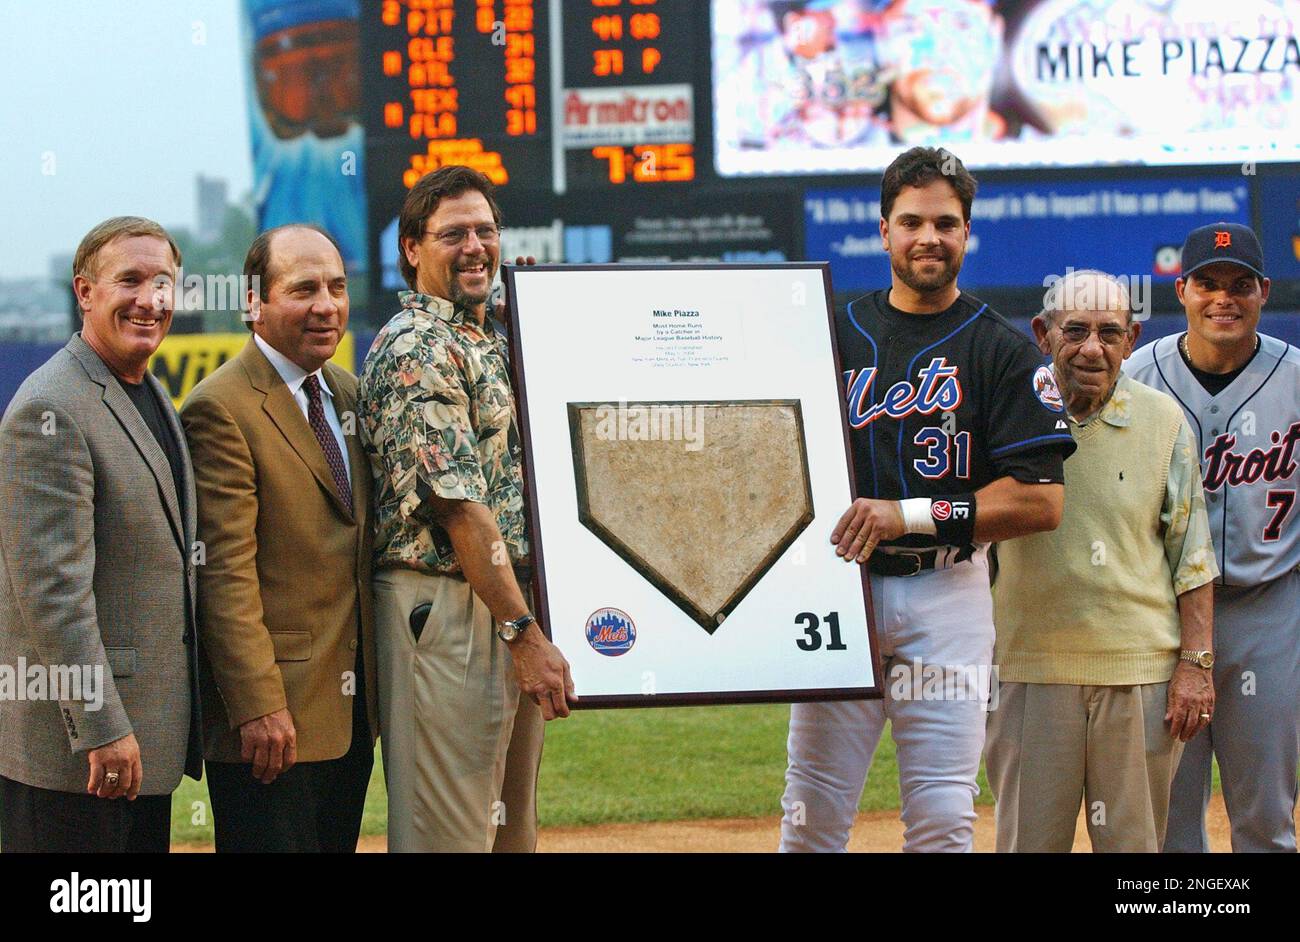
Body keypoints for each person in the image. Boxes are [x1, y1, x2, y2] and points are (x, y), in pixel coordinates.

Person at [779, 146, 1076, 853]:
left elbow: (1041, 501)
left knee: (943, 817)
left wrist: (907, 514)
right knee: (812, 811)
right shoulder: (829, 336)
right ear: (883, 231)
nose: (928, 238)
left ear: (966, 233)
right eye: (911, 222)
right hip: (841, 590)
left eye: (946, 223)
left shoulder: (1000, 350)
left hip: (947, 589)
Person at [358, 165, 575, 853]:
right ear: (412, 249)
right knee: (448, 838)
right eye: (453, 234)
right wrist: (524, 634)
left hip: (500, 597)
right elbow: (458, 509)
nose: (476, 246)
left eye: (486, 230)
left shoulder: (489, 336)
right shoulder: (418, 344)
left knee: (512, 831)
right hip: (446, 606)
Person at [985, 269, 1217, 852]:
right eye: (1076, 330)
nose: (1093, 347)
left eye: (1110, 333)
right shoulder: (1005, 415)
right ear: (1043, 333)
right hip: (1029, 670)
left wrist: (1197, 664)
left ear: (1131, 339)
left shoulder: (1164, 421)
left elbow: (1191, 553)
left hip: (1140, 675)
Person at [0, 216, 202, 852]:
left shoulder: (145, 391)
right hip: (79, 760)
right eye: (130, 281)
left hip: (139, 748)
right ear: (85, 292)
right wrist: (100, 727)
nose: (150, 299)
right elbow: (53, 593)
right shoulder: (51, 405)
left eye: (163, 282)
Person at [180, 224, 377, 852]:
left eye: (338, 287)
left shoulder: (346, 393)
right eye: (304, 289)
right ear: (253, 303)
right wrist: (257, 705)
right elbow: (223, 576)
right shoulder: (219, 408)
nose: (327, 305)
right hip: (270, 725)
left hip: (349, 715)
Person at [1126, 222, 1300, 853]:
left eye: (1240, 285)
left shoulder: (1296, 377)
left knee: (1265, 815)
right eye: (1208, 283)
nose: (1223, 298)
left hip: (1268, 612)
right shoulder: (1137, 374)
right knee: (1168, 818)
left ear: (1263, 293)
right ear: (1183, 289)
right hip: (1159, 617)